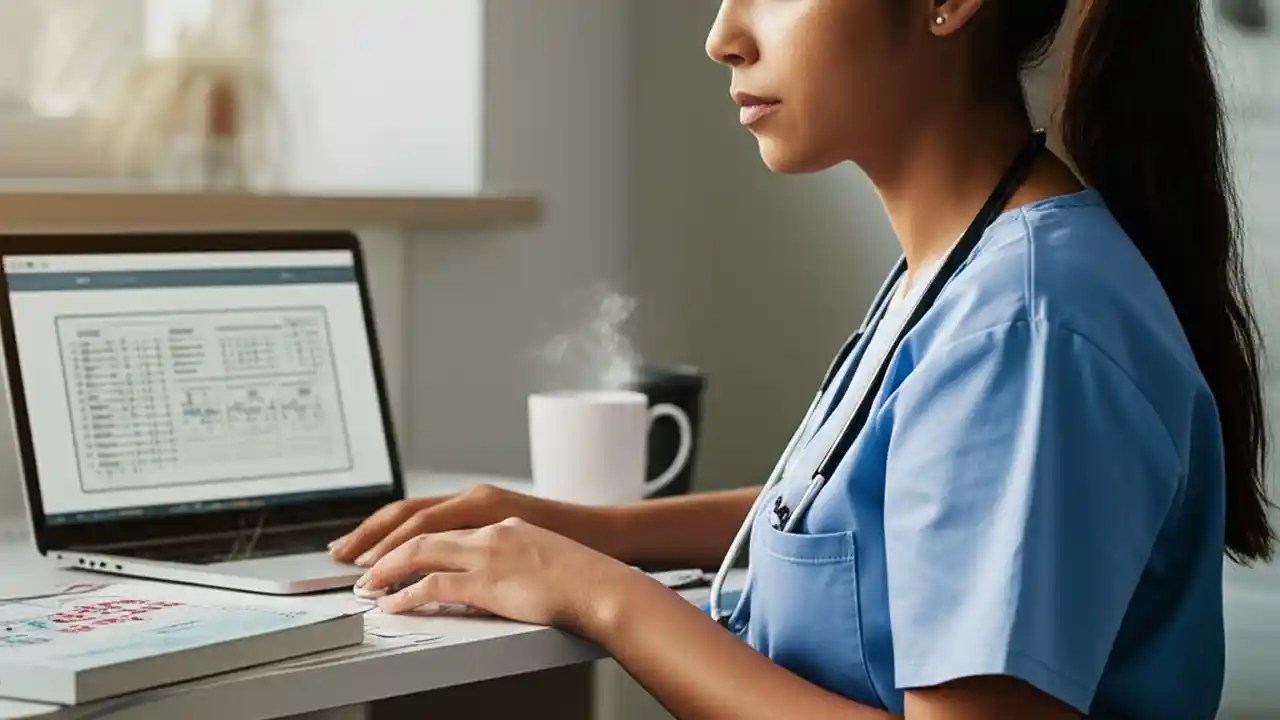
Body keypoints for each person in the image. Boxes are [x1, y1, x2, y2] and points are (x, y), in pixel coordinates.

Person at [329, 0, 1275, 717]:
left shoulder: (1024, 326)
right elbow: (882, 517)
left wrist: (597, 594)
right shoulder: (960, 266)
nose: (722, 35)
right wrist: (589, 527)